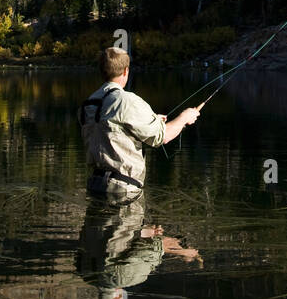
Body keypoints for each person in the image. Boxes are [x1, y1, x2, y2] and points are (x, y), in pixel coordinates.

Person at [79, 47, 200, 201]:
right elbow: (162, 137)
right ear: (125, 71)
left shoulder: (89, 103)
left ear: (101, 70)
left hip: (95, 185)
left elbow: (112, 129)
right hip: (122, 190)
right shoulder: (126, 100)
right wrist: (185, 117)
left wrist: (152, 119)